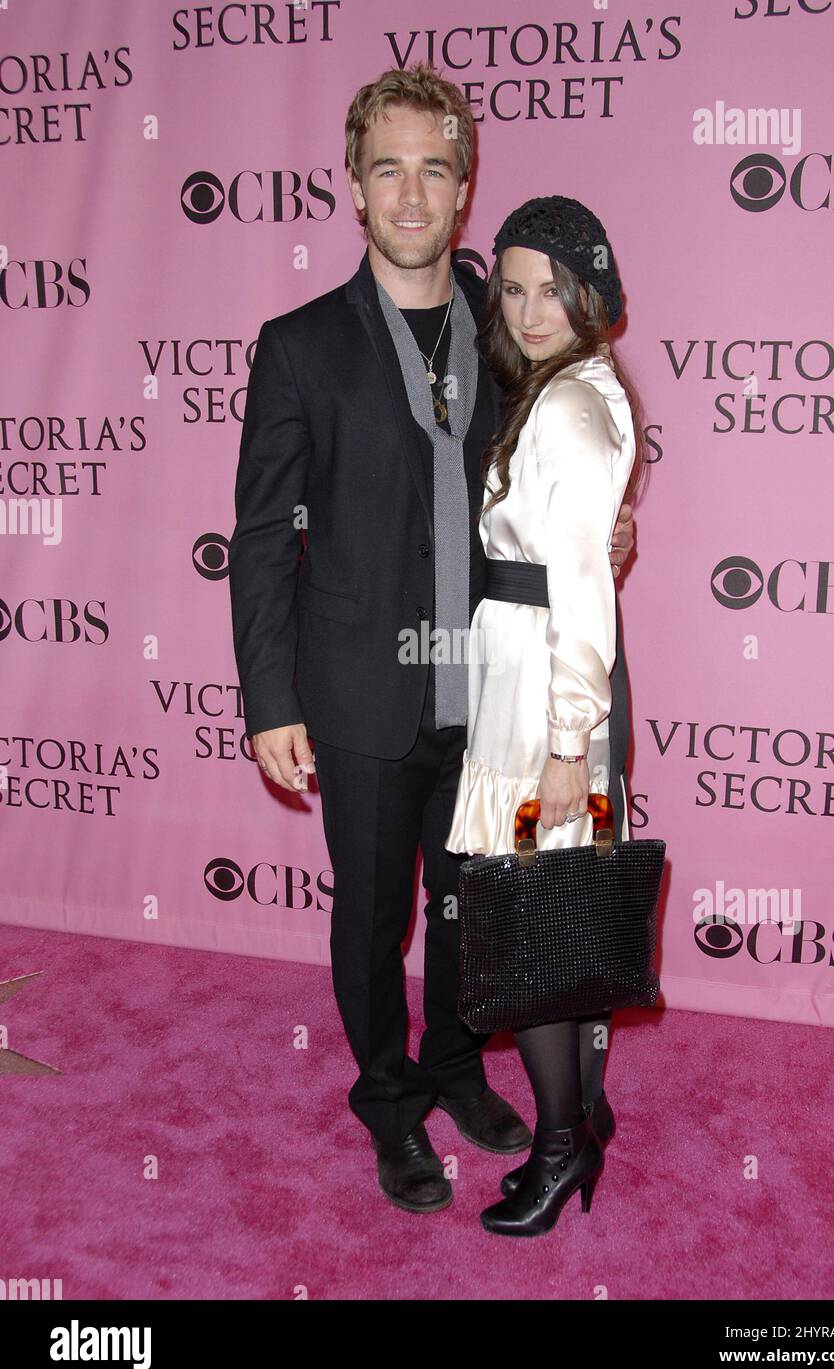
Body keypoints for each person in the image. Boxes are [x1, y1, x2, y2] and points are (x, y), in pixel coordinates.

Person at [228, 65, 636, 1216]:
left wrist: (598, 534)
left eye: (435, 169)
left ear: (465, 188)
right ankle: (390, 1101)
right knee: (371, 915)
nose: (412, 193)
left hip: (491, 688)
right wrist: (270, 699)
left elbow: (555, 473)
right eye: (387, 168)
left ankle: (459, 1066)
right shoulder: (298, 345)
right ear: (354, 188)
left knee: (473, 903)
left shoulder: (512, 324)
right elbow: (261, 536)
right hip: (356, 689)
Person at [444, 196, 649, 1237]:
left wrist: (568, 744)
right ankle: (578, 1121)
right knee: (550, 911)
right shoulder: (567, 387)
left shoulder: (566, 409)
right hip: (526, 682)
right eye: (511, 288)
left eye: (549, 290)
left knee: (530, 926)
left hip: (542, 704)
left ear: (591, 292)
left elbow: (577, 583)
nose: (527, 311)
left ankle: (560, 1146)